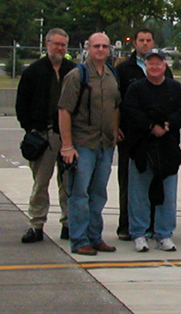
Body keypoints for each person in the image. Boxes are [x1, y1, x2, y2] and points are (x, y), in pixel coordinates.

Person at [57, 32, 121, 256]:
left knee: (99, 194)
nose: (101, 50)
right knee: (79, 194)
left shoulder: (112, 74)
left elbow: (115, 106)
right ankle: (79, 239)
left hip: (105, 145)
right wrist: (67, 145)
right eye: (96, 46)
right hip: (83, 143)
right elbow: (64, 110)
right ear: (88, 48)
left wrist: (114, 133)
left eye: (105, 46)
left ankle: (95, 237)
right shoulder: (77, 75)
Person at [122, 48, 181, 253]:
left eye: (159, 63)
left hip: (167, 147)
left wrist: (169, 124)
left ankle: (164, 233)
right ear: (146, 65)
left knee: (167, 193)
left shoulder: (176, 88)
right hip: (142, 147)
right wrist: (151, 126)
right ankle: (139, 234)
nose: (155, 67)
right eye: (151, 63)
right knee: (138, 193)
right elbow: (131, 111)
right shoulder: (136, 88)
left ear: (164, 65)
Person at [16, 28, 76, 243]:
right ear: (47, 44)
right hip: (43, 134)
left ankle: (69, 224)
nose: (59, 48)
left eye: (63, 45)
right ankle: (36, 224)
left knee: (69, 183)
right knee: (41, 183)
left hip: (68, 135)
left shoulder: (73, 70)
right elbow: (21, 105)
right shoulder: (34, 71)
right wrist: (32, 130)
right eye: (56, 44)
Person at [115, 28, 173, 240]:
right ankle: (126, 225)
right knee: (129, 181)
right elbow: (119, 102)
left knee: (156, 179)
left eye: (149, 40)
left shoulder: (163, 69)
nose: (145, 43)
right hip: (132, 136)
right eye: (141, 40)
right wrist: (117, 126)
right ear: (135, 43)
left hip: (159, 139)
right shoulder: (124, 69)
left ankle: (151, 225)